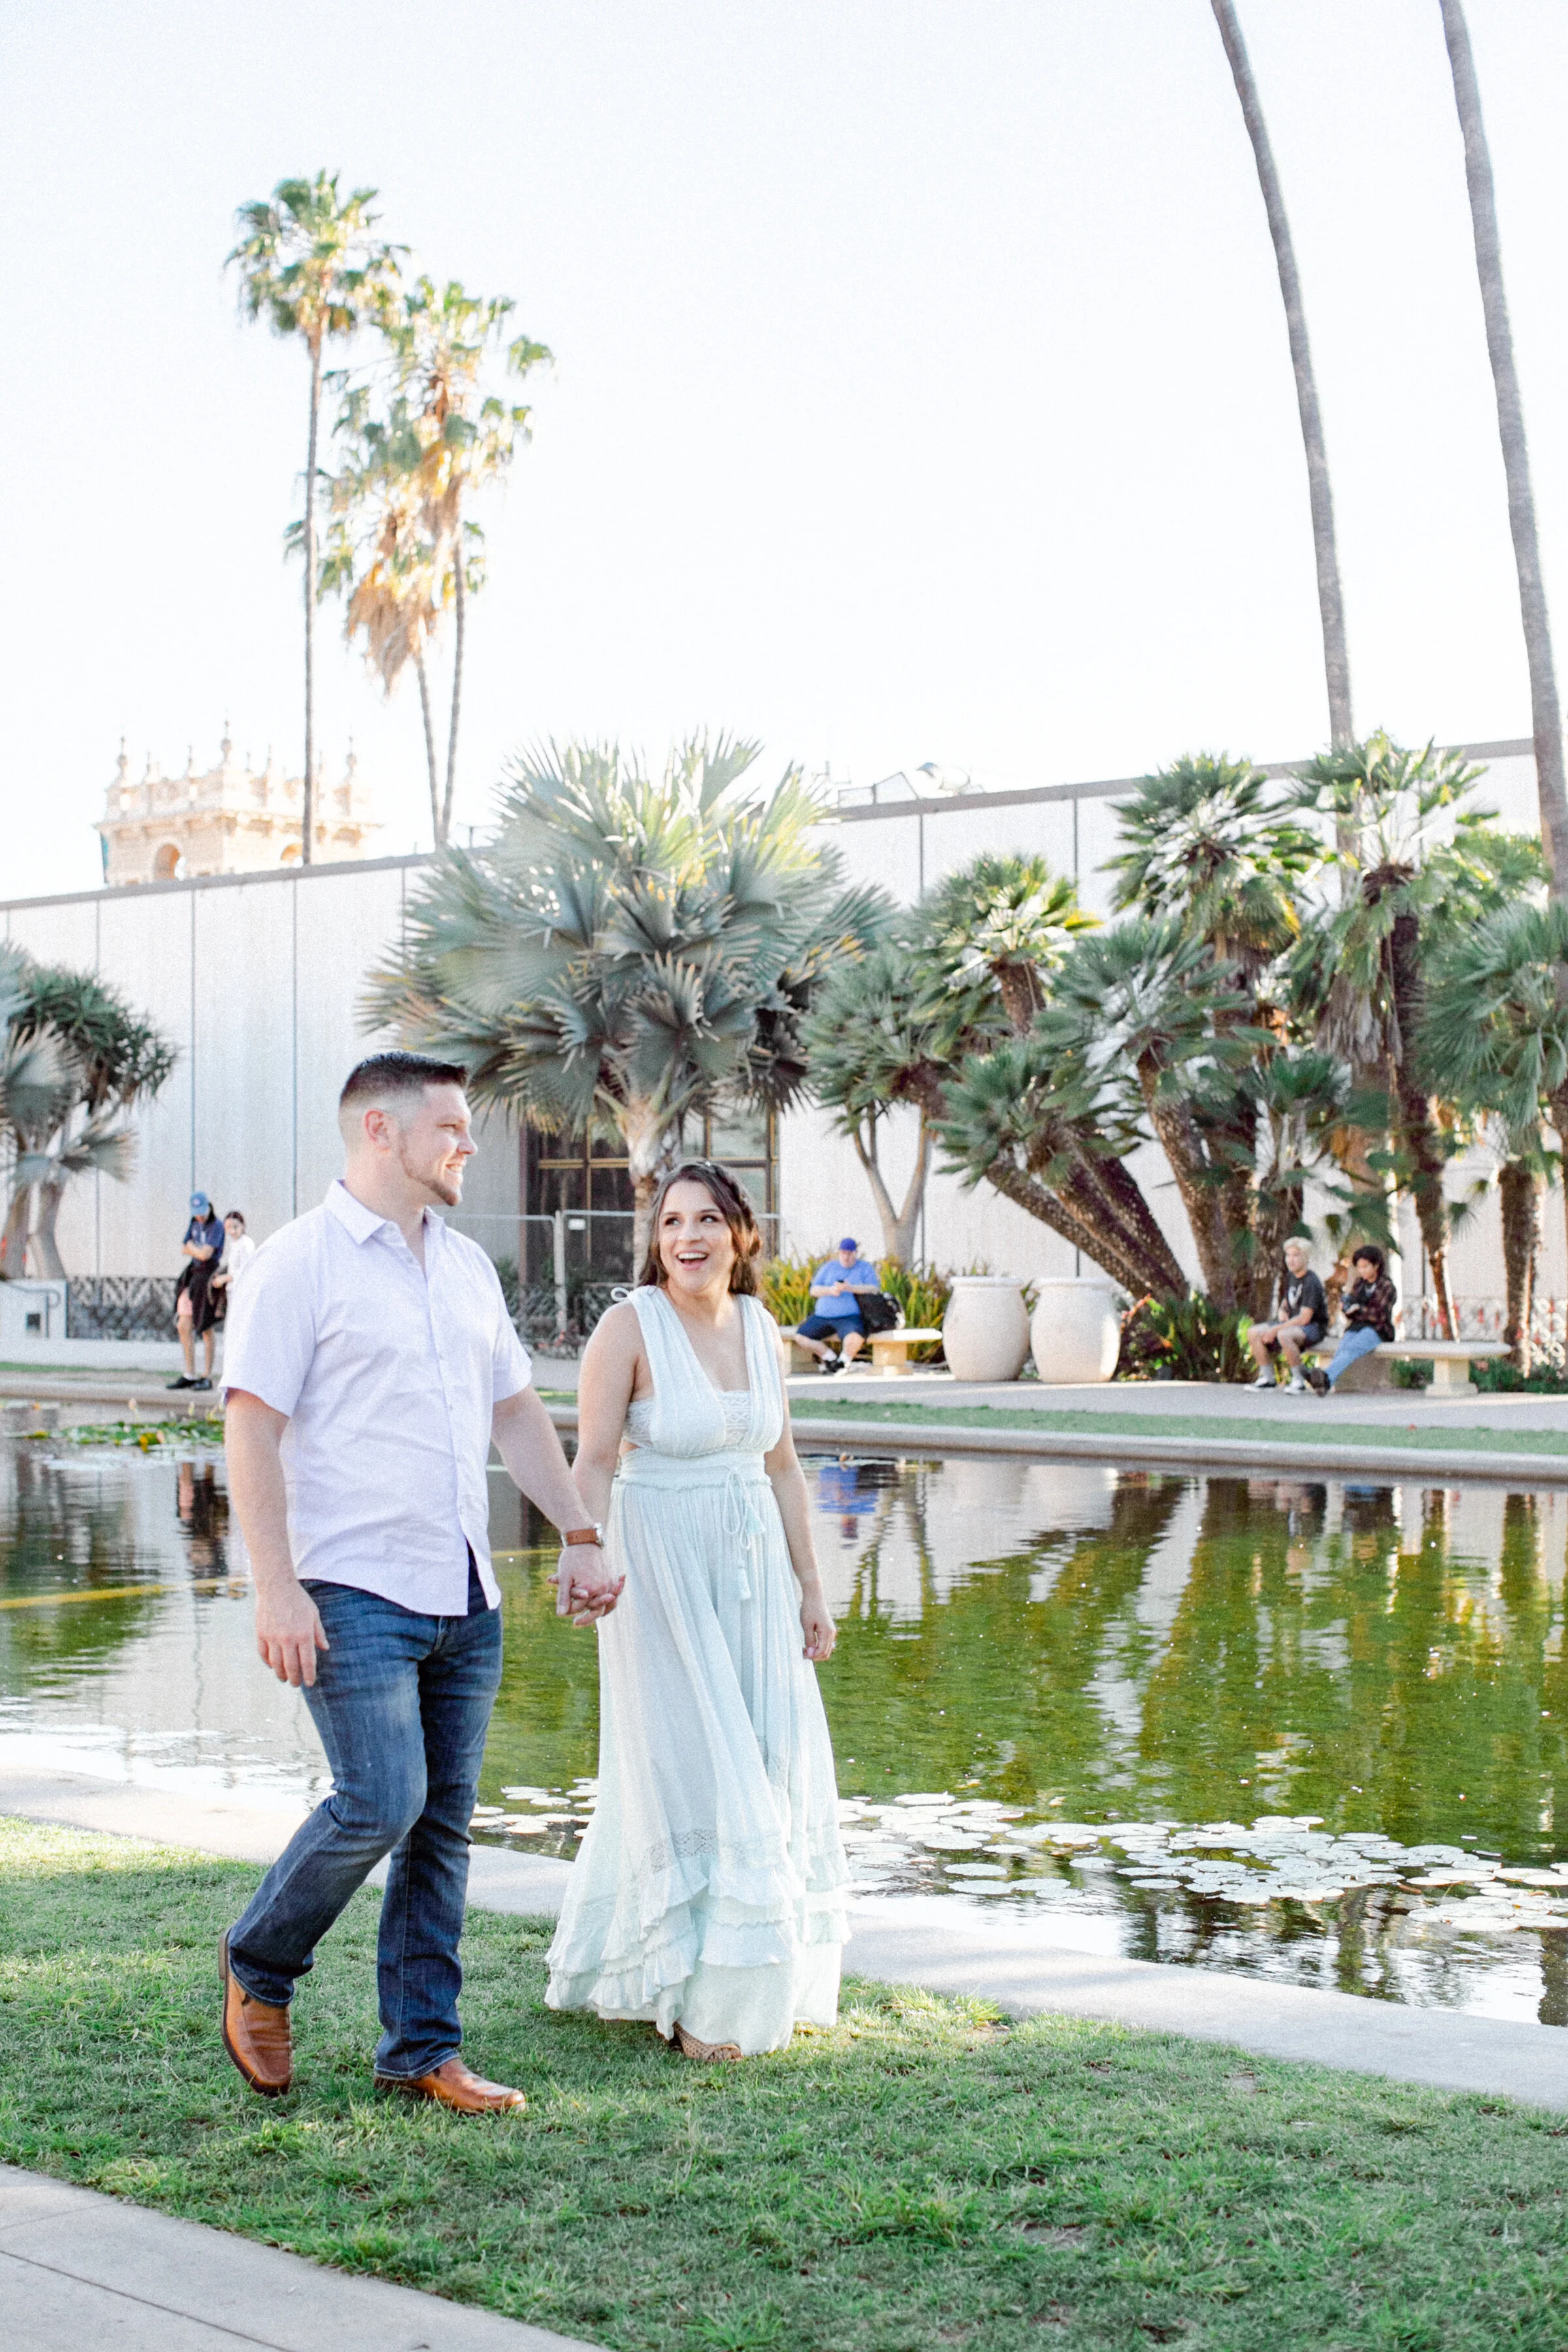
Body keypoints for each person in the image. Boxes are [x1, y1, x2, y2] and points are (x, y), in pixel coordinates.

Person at [217, 1051, 621, 2112]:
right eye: (450, 1126)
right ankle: (258, 1966)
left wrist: (578, 1530)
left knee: (441, 1825)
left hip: (465, 1589)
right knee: (382, 1798)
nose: (470, 1144)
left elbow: (516, 1414)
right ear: (380, 1132)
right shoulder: (297, 1263)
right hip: (350, 1585)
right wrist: (275, 1587)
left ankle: (421, 2049)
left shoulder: (465, 1265)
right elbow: (250, 1426)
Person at [547, 1158, 850, 2061]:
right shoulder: (627, 1326)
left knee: (763, 1756)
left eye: (709, 1220)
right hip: (660, 1568)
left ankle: (749, 1974)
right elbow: (594, 1457)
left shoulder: (761, 1327)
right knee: (694, 1763)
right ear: (656, 1240)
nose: (689, 1237)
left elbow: (785, 1467)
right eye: (673, 1221)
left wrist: (812, 1588)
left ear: (742, 1235)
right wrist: (580, 1546)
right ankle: (702, 2000)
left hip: (753, 1567)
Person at [1305, 1245, 1397, 1396]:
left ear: (1376, 1266)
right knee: (1343, 1349)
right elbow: (1353, 1308)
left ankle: (1325, 1378)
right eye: (1359, 1267)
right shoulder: (1360, 1284)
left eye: (1366, 1266)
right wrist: (1347, 1308)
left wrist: (1359, 1310)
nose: (1362, 1271)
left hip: (1377, 1330)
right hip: (1357, 1326)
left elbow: (1380, 1314)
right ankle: (1326, 1381)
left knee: (1351, 1349)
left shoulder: (1387, 1286)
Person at [1247, 1239, 1328, 1395]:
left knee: (1284, 1334)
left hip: (1312, 1327)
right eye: (1288, 1255)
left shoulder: (1311, 1281)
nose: (1291, 1260)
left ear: (1306, 1257)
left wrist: (1276, 1329)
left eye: (1296, 1255)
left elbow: (1304, 1318)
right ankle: (1267, 1379)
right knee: (1253, 1332)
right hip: (1292, 1323)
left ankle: (1298, 1381)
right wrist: (1282, 1310)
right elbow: (1287, 1300)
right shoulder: (1290, 1277)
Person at [793, 1235, 883, 1372]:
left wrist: (850, 1288)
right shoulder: (829, 1267)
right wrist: (830, 1290)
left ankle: (843, 1362)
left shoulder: (865, 1268)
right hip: (823, 1316)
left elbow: (874, 1289)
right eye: (843, 1254)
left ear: (855, 1254)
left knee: (855, 1336)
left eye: (849, 1254)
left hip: (849, 1316)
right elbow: (814, 1290)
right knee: (801, 1337)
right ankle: (830, 1358)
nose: (846, 1258)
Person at [169, 1191, 226, 1392]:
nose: (200, 1217)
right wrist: (195, 1250)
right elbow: (185, 1247)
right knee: (184, 1324)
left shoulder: (216, 1226)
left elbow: (206, 1254)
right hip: (193, 1274)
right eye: (196, 1214)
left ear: (208, 1207)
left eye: (202, 1213)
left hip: (208, 1276)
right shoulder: (194, 1223)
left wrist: (194, 1249)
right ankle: (189, 1373)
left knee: (205, 1326)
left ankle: (207, 1375)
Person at [210, 1209, 257, 1316]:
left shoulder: (246, 1243)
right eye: (228, 1228)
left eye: (235, 1227)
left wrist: (224, 1278)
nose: (232, 1231)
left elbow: (246, 1270)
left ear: (242, 1225)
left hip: (242, 1291)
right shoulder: (234, 1244)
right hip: (232, 1290)